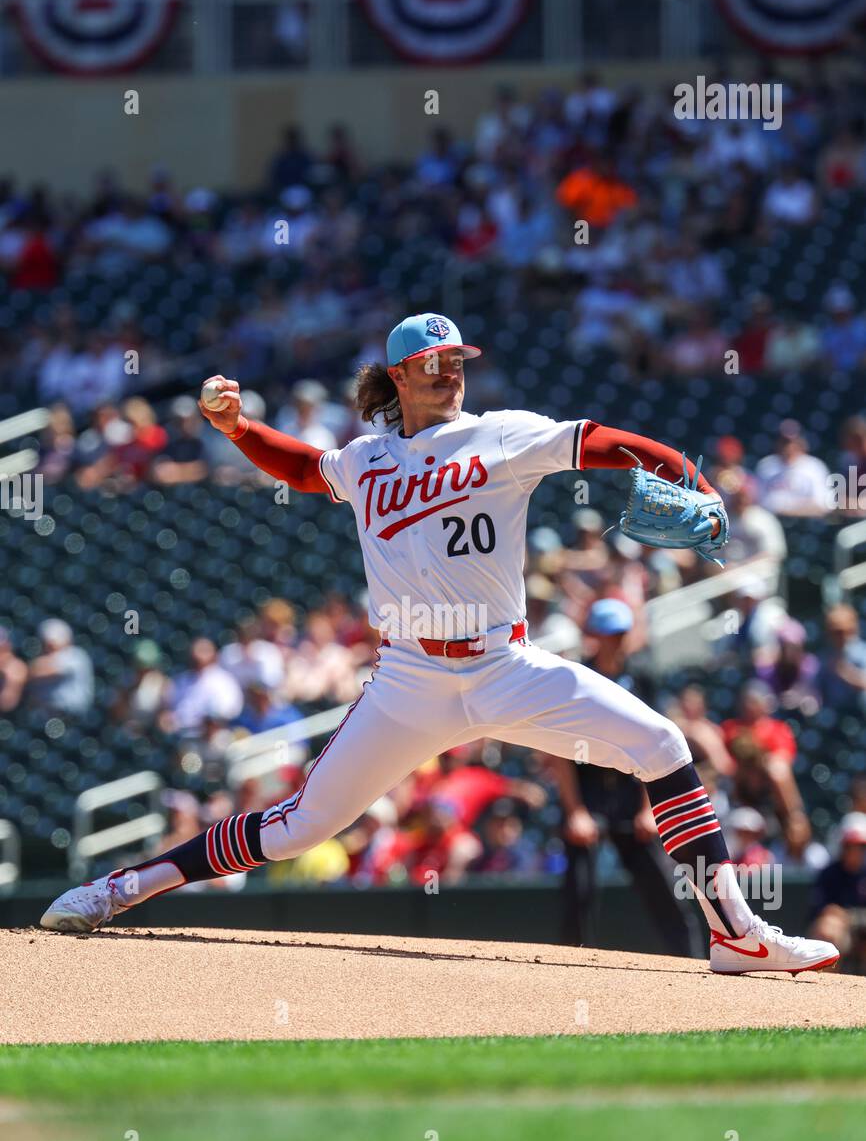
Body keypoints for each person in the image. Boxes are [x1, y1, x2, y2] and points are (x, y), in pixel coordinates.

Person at [41, 312, 839, 976]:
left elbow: (596, 442)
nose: (450, 370)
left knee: (663, 744)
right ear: (396, 377)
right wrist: (239, 426)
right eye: (432, 361)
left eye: (456, 358)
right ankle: (121, 888)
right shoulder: (367, 459)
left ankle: (736, 934)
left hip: (504, 664)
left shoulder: (502, 436)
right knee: (297, 830)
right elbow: (304, 466)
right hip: (408, 681)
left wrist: (681, 472)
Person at [550, 598, 699, 955]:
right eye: (607, 634)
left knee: (662, 888)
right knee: (579, 892)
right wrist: (575, 811)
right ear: (594, 636)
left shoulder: (641, 676)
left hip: (631, 790)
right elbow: (557, 749)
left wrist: (649, 809)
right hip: (587, 789)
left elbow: (654, 742)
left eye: (619, 634)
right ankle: (573, 964)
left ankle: (692, 963)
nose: (614, 641)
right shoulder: (575, 676)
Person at [809, 814, 866, 968]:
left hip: (860, 925)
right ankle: (825, 987)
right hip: (840, 928)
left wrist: (848, 915)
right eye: (850, 846)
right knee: (827, 929)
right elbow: (820, 909)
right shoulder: (829, 873)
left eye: (860, 847)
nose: (855, 851)